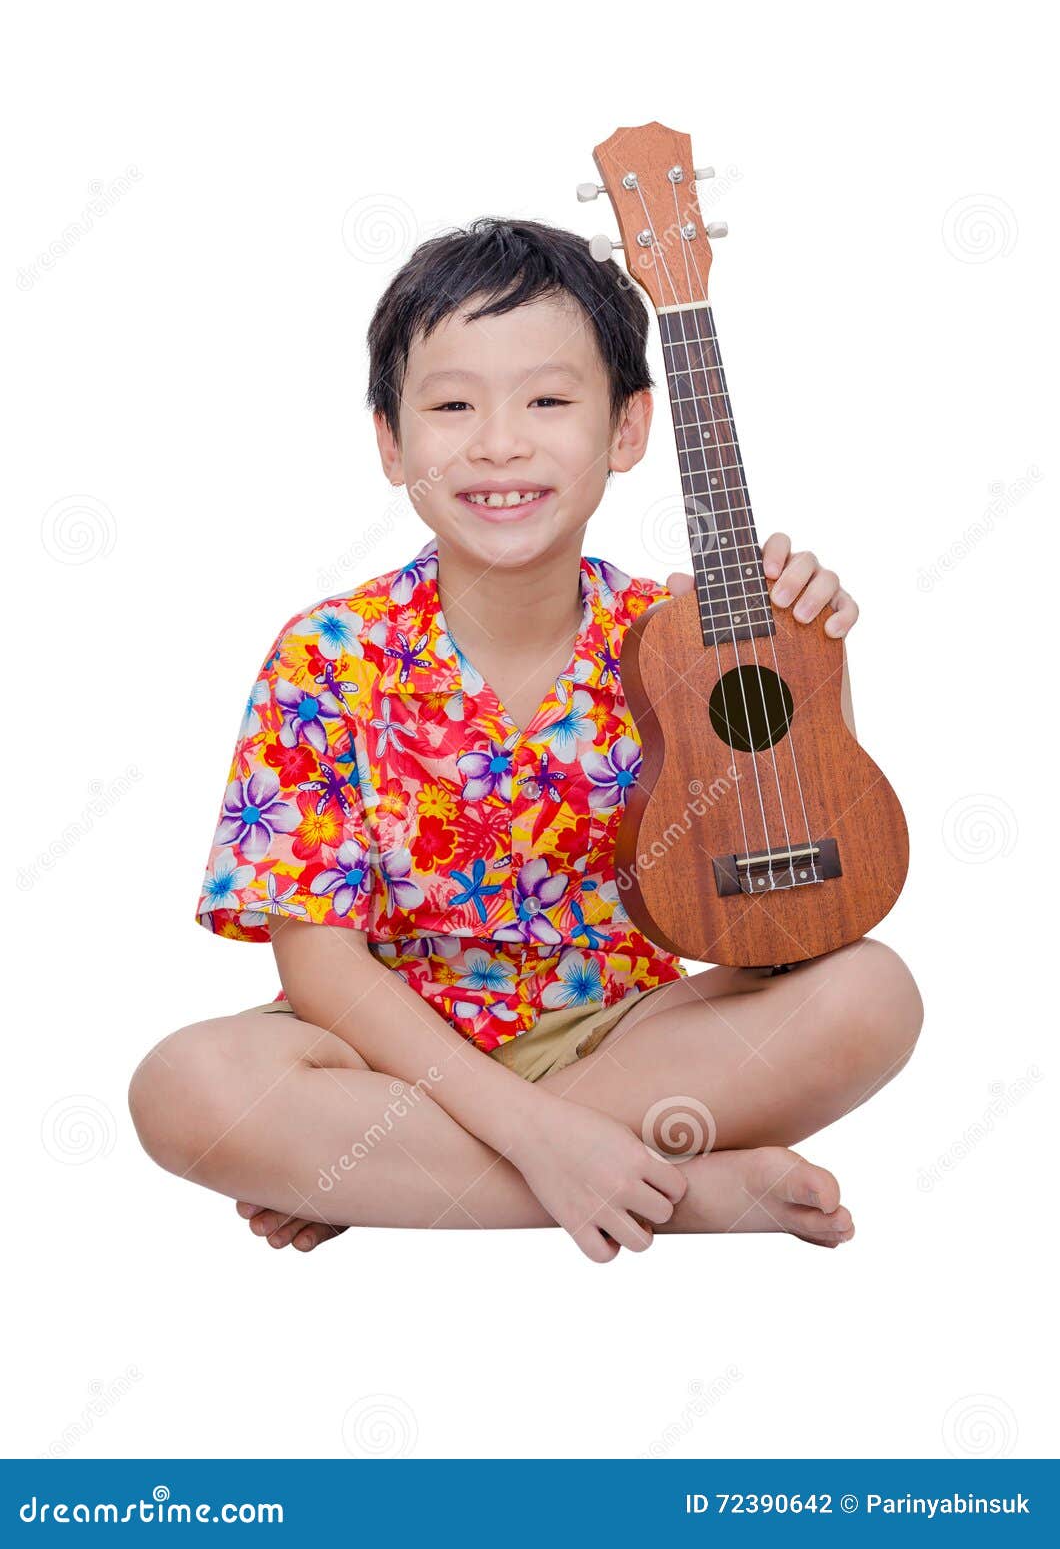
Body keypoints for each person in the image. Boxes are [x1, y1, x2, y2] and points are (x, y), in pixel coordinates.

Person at [128, 218, 923, 1262]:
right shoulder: (328, 653)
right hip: (384, 1064)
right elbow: (319, 963)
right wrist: (536, 1134)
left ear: (628, 428)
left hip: (621, 1033)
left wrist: (808, 677)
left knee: (872, 992)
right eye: (452, 404)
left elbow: (794, 909)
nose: (499, 441)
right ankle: (674, 1194)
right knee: (187, 1088)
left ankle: (427, 1183)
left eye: (548, 400)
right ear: (388, 438)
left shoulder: (683, 643)